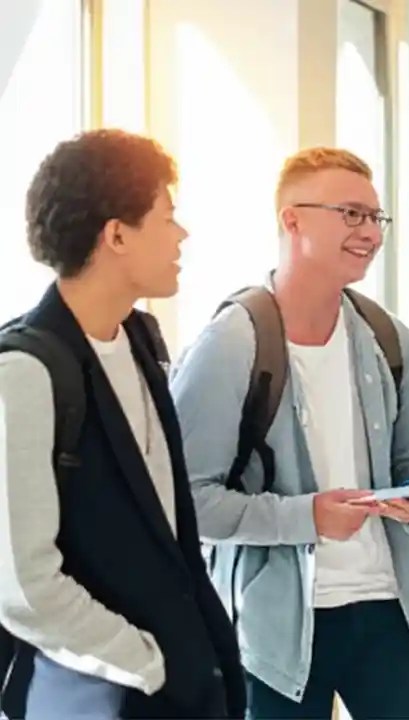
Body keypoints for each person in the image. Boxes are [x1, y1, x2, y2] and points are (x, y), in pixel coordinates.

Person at [169, 147, 409, 719]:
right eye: (351, 214)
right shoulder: (231, 343)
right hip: (276, 633)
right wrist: (308, 517)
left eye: (376, 218)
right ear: (291, 219)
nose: (370, 233)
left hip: (392, 613)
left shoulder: (388, 339)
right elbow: (187, 503)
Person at [0, 129, 244, 718]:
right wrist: (148, 662)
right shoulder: (24, 373)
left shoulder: (141, 342)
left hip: (176, 686)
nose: (181, 235)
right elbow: (23, 586)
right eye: (167, 217)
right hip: (93, 693)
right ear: (115, 234)